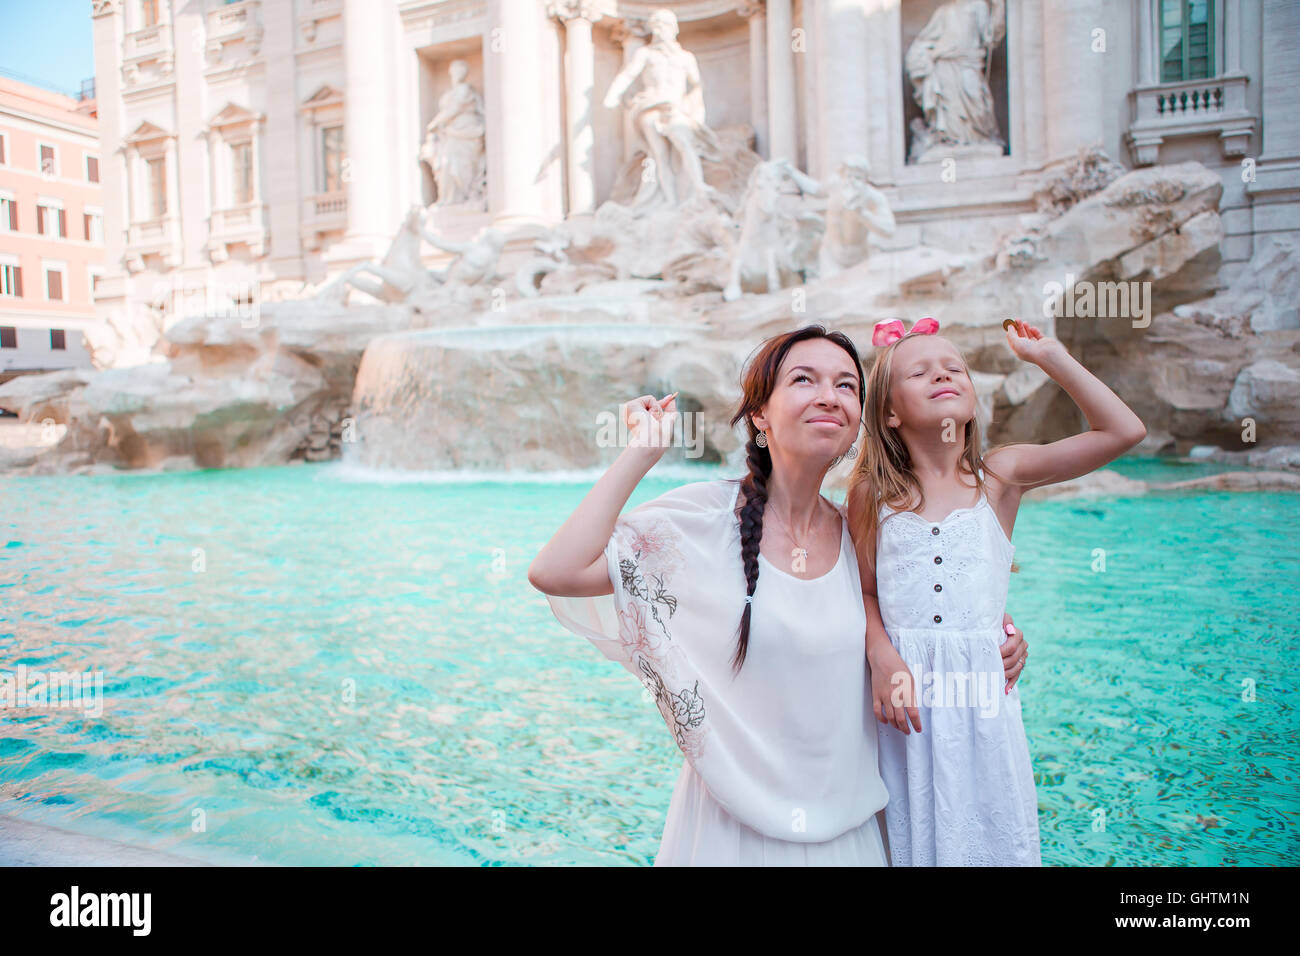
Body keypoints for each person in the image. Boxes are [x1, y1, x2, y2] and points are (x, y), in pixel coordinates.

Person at [528, 324, 1031, 866]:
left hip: (849, 840)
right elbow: (557, 570)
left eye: (846, 386)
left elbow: (932, 618)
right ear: (760, 415)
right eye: (803, 379)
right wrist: (641, 453)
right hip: (730, 834)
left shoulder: (860, 538)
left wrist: (999, 638)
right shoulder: (702, 520)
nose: (828, 396)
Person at [849, 316, 1146, 865]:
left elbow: (1122, 432)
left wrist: (1050, 357)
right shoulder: (872, 495)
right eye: (920, 372)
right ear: (889, 411)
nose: (943, 375)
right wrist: (882, 655)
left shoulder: (1000, 477)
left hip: (983, 706)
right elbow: (864, 593)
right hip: (903, 706)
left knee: (987, 836)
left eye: (954, 367)